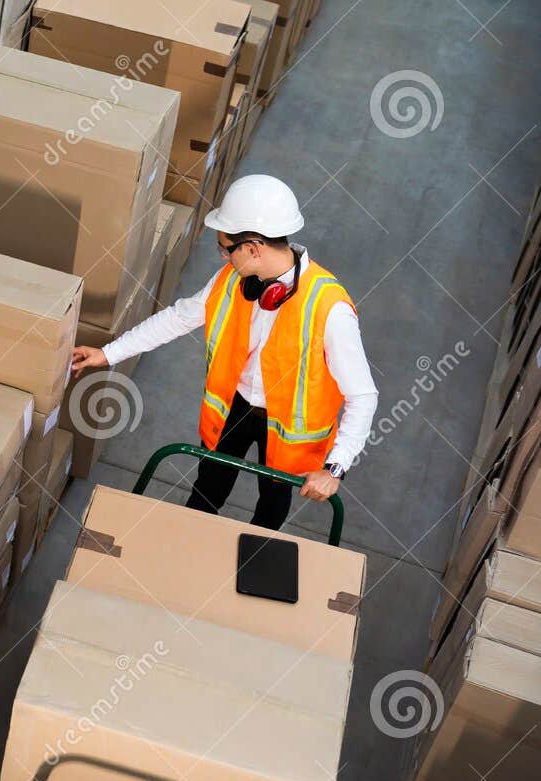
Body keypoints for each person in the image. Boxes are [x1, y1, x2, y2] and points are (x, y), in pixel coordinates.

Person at [71, 174, 378, 530]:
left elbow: (363, 395)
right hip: (236, 406)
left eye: (226, 248)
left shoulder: (329, 308)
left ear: (253, 248)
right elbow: (178, 318)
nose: (223, 256)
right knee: (207, 490)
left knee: (271, 508)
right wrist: (108, 354)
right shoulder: (232, 282)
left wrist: (334, 469)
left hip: (287, 434)